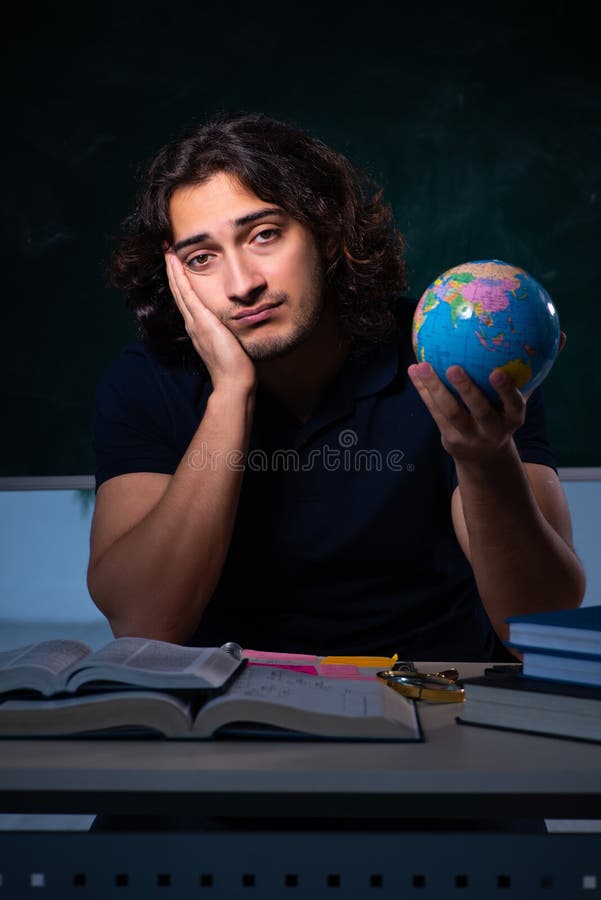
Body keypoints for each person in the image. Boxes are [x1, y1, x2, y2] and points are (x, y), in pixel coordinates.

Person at [87, 111, 585, 662]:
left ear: (325, 234)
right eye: (202, 258)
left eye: (265, 235)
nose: (242, 285)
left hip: (441, 698)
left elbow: (540, 629)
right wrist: (230, 396)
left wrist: (485, 458)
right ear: (178, 277)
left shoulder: (450, 356)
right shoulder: (146, 382)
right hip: (233, 715)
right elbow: (143, 624)